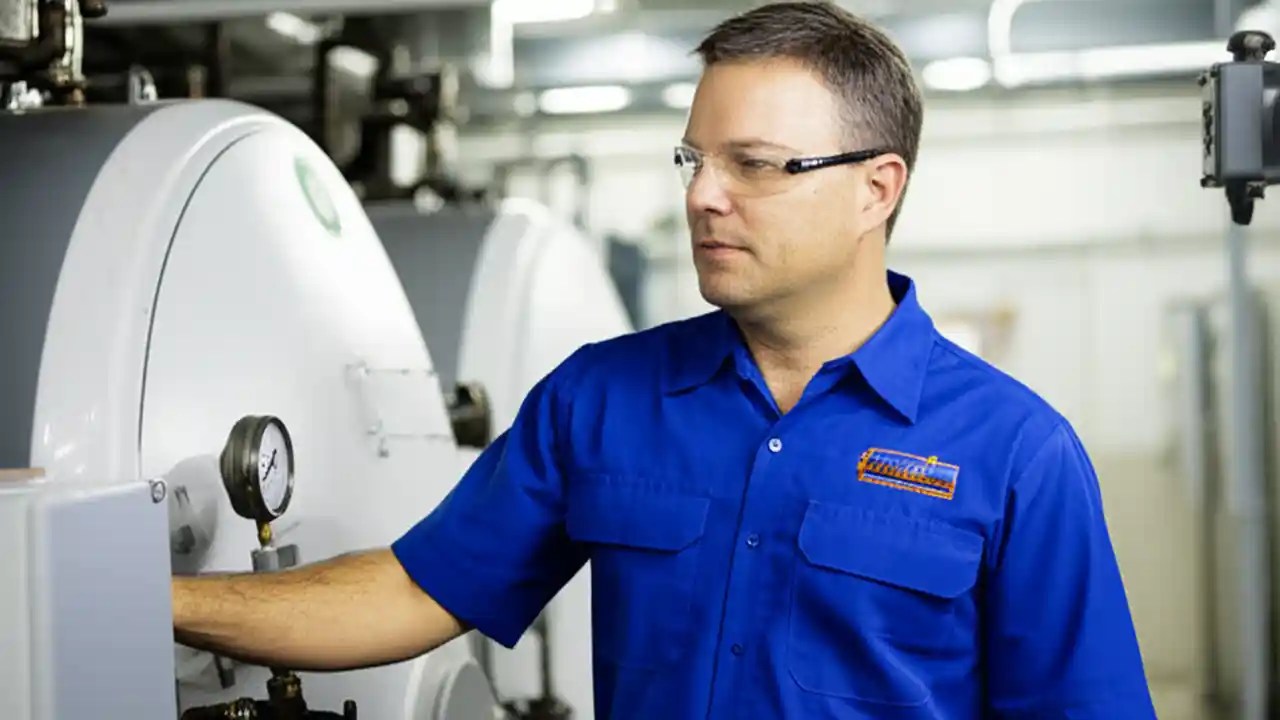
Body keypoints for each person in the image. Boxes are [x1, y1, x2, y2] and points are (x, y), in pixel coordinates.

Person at [173, 2, 1158, 717]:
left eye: (755, 164)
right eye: (695, 159)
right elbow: (414, 590)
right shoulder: (600, 399)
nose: (701, 197)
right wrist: (135, 599)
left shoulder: (1015, 452)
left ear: (875, 189)